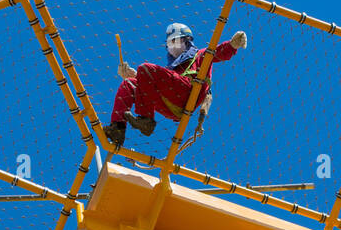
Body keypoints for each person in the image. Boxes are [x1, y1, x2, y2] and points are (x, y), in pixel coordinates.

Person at [104, 22, 247, 148]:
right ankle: (118, 128)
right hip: (172, 103)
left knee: (145, 68)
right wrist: (134, 76)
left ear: (186, 41)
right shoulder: (172, 70)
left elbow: (216, 53)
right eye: (169, 44)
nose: (171, 47)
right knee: (129, 84)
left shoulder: (199, 55)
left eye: (175, 41)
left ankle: (146, 119)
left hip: (188, 91)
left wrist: (232, 45)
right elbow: (154, 85)